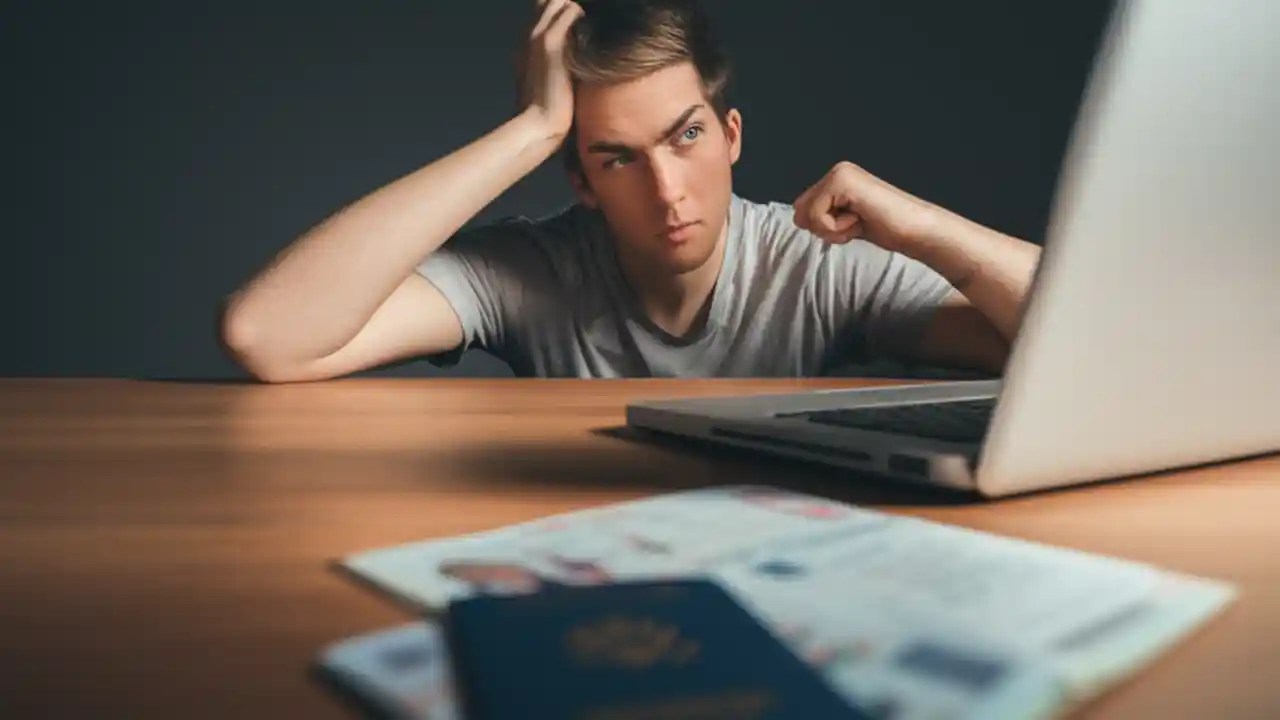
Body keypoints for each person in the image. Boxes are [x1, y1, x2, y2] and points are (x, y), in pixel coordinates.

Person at [220, 0, 1039, 381]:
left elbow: (1074, 348)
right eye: (617, 158)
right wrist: (530, 132)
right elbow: (269, 335)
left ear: (732, 136)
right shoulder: (530, 274)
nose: (666, 189)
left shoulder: (814, 264)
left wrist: (926, 226)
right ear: (579, 180)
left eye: (686, 137)